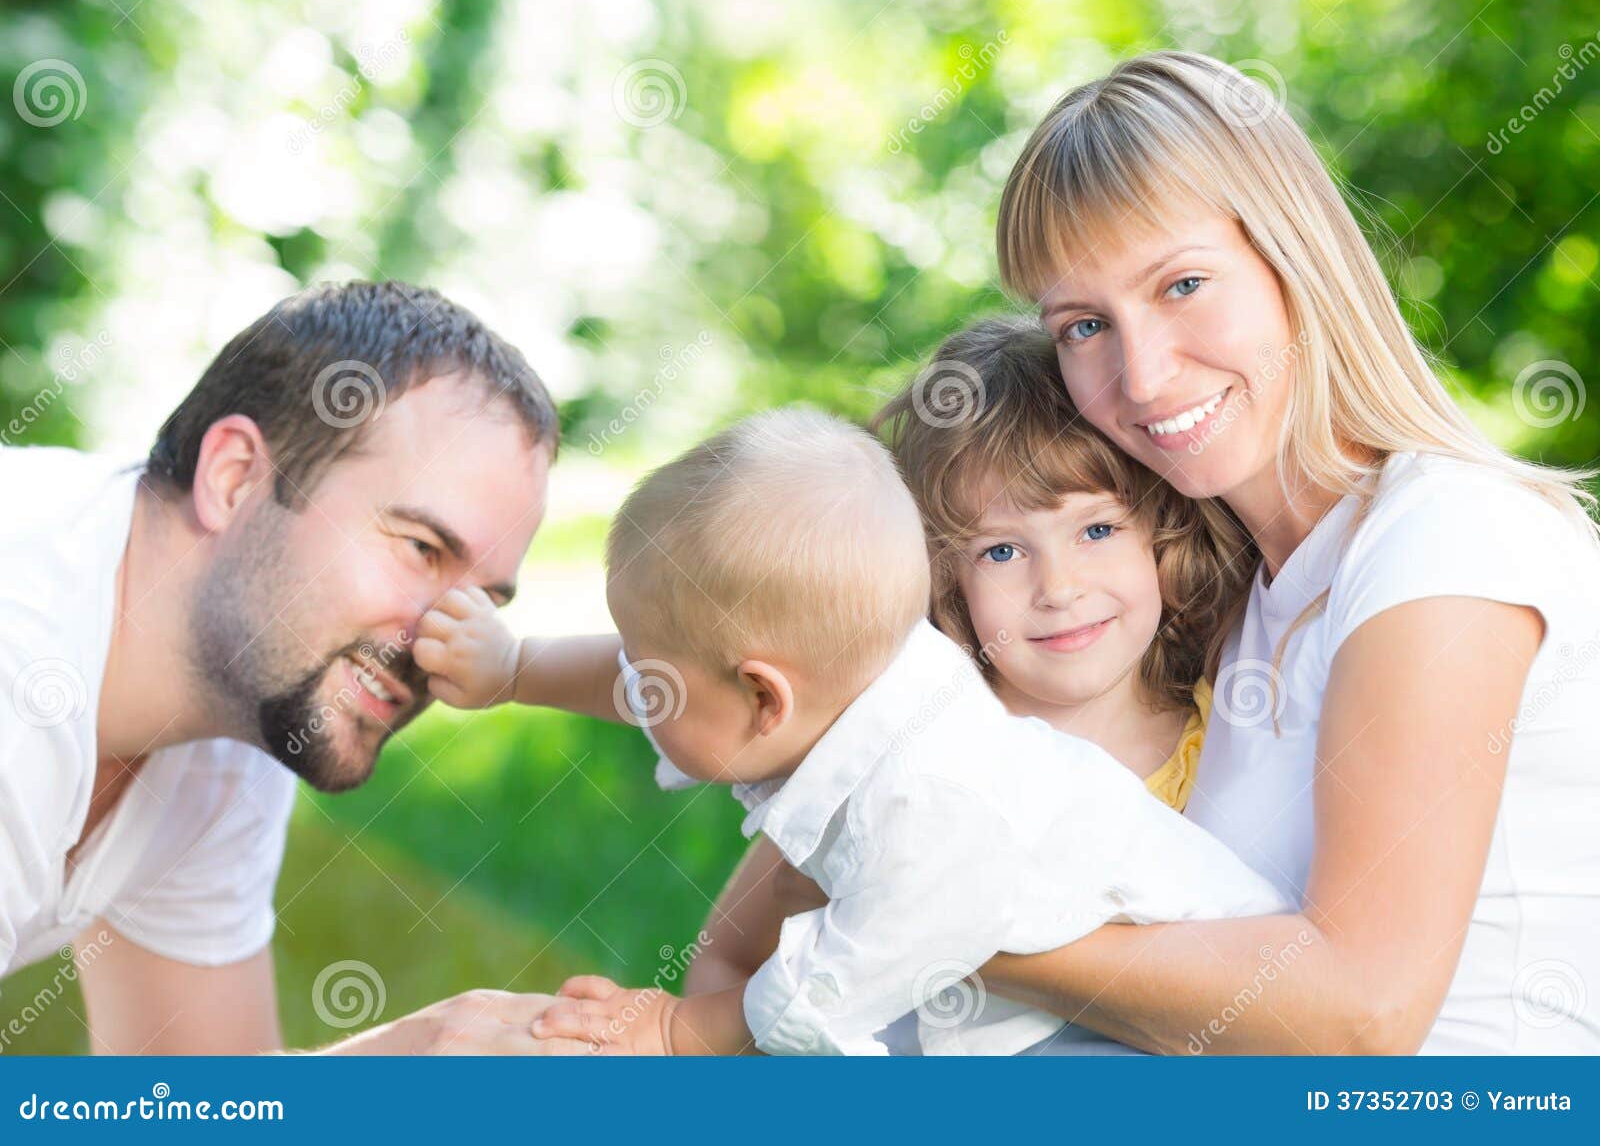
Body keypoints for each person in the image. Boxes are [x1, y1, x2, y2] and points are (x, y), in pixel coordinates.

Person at [957, 49, 1600, 1053]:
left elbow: (1363, 1008)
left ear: (1293, 259)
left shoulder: (1445, 538)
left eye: (1181, 284)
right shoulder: (1229, 593)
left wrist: (948, 926)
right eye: (1084, 324)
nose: (1142, 370)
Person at [415, 406, 1288, 1055]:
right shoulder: (867, 674)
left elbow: (830, 988)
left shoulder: (927, 802)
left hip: (1206, 1052)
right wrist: (516, 668)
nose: (637, 688)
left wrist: (681, 1031)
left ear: (766, 700)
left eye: (649, 679)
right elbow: (675, 667)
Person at [0, 280, 580, 1055]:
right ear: (234, 476)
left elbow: (195, 1105)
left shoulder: (238, 711)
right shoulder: (22, 646)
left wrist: (412, 1060)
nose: (446, 643)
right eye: (420, 548)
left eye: (483, 603)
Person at [676, 318, 1258, 1053]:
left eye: (1097, 530)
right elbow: (728, 953)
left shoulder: (1230, 736)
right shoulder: (914, 748)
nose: (1060, 587)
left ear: (1160, 528)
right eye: (1004, 550)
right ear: (943, 573)